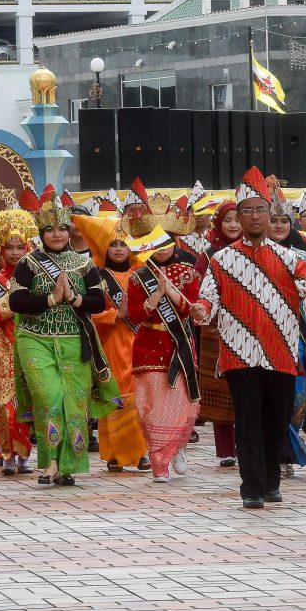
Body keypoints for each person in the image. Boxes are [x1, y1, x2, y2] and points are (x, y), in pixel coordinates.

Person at [191, 167, 306, 510]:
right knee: (247, 420)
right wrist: (200, 310)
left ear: (270, 215)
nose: (255, 216)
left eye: (261, 210)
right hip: (239, 352)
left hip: (282, 351)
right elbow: (207, 299)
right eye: (248, 211)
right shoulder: (221, 260)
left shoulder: (292, 259)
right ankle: (252, 487)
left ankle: (271, 481)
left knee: (276, 419)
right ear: (238, 216)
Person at [9, 186, 118, 487]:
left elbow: (99, 302)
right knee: (50, 397)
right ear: (40, 232)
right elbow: (16, 302)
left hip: (74, 338)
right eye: (49, 230)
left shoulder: (84, 264)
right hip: (35, 337)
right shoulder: (28, 263)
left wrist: (73, 298)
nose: (56, 235)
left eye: (61, 229)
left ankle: (66, 466)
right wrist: (52, 299)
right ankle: (50, 462)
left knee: (73, 402)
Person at [125, 198, 201, 483]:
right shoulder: (138, 277)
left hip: (179, 347)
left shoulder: (188, 272)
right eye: (156, 241)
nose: (163, 246)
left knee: (183, 403)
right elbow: (133, 314)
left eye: (168, 240)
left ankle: (176, 448)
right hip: (148, 346)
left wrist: (175, 295)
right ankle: (159, 459)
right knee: (151, 407)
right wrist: (155, 296)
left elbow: (194, 307)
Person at [75, 213, 150, 473]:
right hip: (111, 342)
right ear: (104, 247)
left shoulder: (142, 273)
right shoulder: (96, 275)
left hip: (141, 341)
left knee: (139, 396)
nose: (118, 249)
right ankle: (115, 453)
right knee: (116, 394)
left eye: (123, 244)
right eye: (113, 244)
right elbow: (86, 310)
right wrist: (113, 314)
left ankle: (140, 451)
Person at [0, 208, 39, 476]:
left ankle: (24, 452)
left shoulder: (37, 280)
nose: (15, 253)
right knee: (3, 403)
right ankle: (6, 452)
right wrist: (13, 303)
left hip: (32, 343)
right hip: (2, 346)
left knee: (28, 401)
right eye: (9, 247)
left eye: (20, 247)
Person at [267, 187, 306, 477]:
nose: (279, 226)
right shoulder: (254, 252)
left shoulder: (303, 254)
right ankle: (274, 449)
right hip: (264, 331)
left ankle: (288, 447)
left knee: (300, 392)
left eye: (284, 221)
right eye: (273, 220)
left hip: (299, 331)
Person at [193, 201, 241, 467]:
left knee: (244, 390)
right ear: (218, 224)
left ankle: (247, 443)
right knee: (221, 391)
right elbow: (202, 290)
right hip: (215, 329)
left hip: (247, 326)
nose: (233, 225)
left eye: (237, 219)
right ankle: (226, 450)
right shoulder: (208, 254)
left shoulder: (253, 250)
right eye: (228, 220)